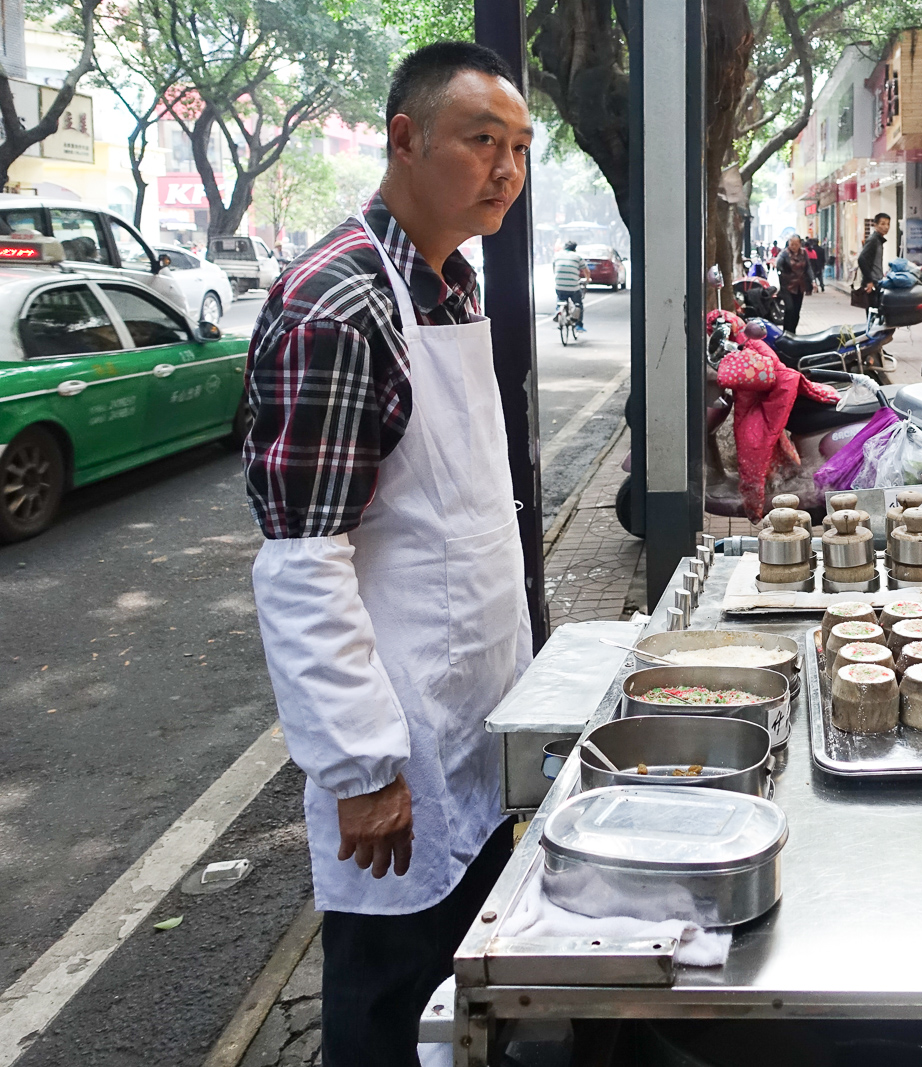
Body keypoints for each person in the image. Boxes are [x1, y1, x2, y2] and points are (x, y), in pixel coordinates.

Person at [242, 42, 535, 1065]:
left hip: (477, 707)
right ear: (404, 139)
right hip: (397, 734)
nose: (505, 169)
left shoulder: (450, 284)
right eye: (480, 141)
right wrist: (363, 764)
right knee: (387, 1000)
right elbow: (303, 560)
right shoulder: (338, 302)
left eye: (519, 148)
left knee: (466, 986)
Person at [775, 234, 813, 333]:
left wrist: (812, 281)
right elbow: (778, 264)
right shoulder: (784, 253)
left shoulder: (804, 253)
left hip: (800, 286)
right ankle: (786, 331)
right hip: (787, 286)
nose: (794, 246)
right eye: (792, 244)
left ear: (800, 244)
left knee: (796, 311)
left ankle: (793, 332)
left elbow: (808, 268)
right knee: (790, 309)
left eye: (796, 244)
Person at [552, 238, 590, 330]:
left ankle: (558, 311)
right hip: (573, 287)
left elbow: (554, 269)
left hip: (559, 285)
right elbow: (586, 271)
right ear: (575, 249)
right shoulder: (577, 257)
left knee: (560, 299)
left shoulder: (557, 255)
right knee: (578, 303)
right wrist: (588, 279)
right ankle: (579, 325)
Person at [857, 212, 891, 293]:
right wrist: (869, 281)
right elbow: (862, 259)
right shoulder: (873, 240)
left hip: (877, 281)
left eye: (888, 224)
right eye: (882, 224)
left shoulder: (878, 240)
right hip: (872, 284)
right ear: (875, 225)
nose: (886, 227)